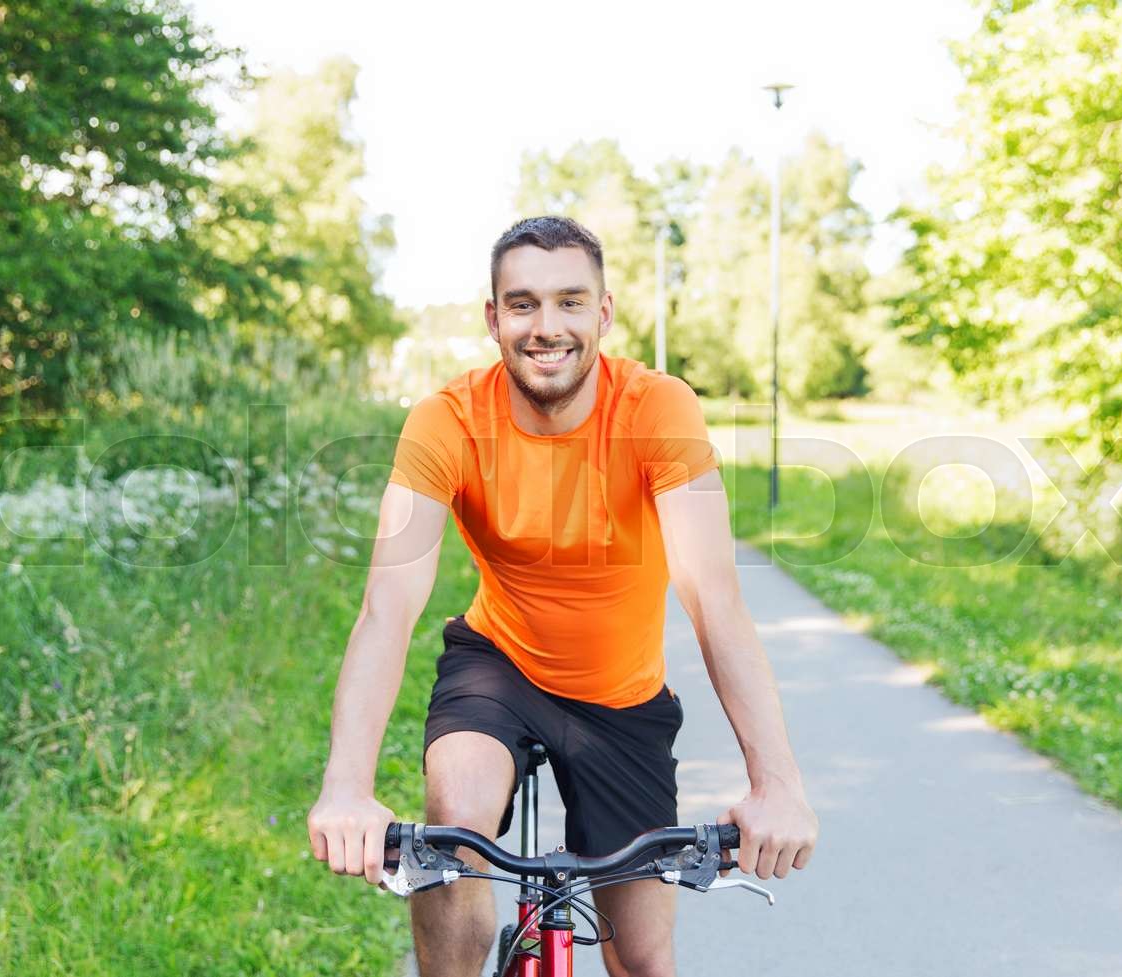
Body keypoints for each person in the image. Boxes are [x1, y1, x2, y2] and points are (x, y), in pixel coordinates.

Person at [307, 215, 817, 977]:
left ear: (603, 313)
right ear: (493, 319)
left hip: (622, 698)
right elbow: (388, 608)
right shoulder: (446, 420)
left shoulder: (657, 409)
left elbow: (714, 597)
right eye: (523, 304)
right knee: (453, 826)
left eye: (570, 302)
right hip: (497, 671)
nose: (547, 326)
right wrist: (346, 788)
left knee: (642, 957)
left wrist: (777, 784)